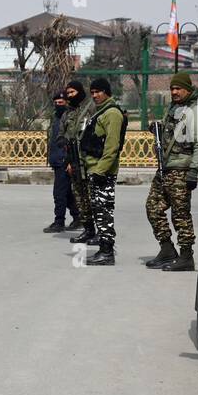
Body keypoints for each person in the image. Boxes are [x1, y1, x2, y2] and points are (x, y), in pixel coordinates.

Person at [144, 72, 198, 272]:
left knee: (180, 214)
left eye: (178, 88)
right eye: (172, 88)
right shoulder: (175, 107)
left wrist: (193, 172)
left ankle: (186, 256)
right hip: (166, 167)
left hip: (181, 169)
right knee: (153, 207)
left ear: (188, 89)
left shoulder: (195, 110)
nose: (174, 92)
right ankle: (167, 249)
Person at [80, 77, 126, 266]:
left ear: (106, 92)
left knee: (104, 211)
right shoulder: (100, 112)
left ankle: (107, 252)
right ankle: (103, 249)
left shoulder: (112, 113)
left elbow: (112, 146)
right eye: (92, 92)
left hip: (103, 171)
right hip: (96, 169)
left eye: (98, 92)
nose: (95, 95)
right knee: (99, 211)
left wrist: (100, 170)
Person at [43, 90, 80, 232]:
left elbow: (71, 139)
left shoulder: (69, 118)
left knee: (59, 193)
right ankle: (78, 217)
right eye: (56, 103)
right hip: (56, 160)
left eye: (61, 102)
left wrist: (69, 160)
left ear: (66, 103)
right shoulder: (55, 118)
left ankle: (59, 222)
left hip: (65, 160)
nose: (58, 105)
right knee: (67, 193)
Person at [64, 81, 95, 243]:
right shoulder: (71, 112)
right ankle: (88, 229)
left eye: (72, 92)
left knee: (93, 198)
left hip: (89, 160)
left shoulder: (91, 107)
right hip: (75, 160)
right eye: (68, 93)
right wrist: (68, 162)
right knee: (80, 198)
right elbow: (68, 138)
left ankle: (100, 233)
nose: (70, 96)